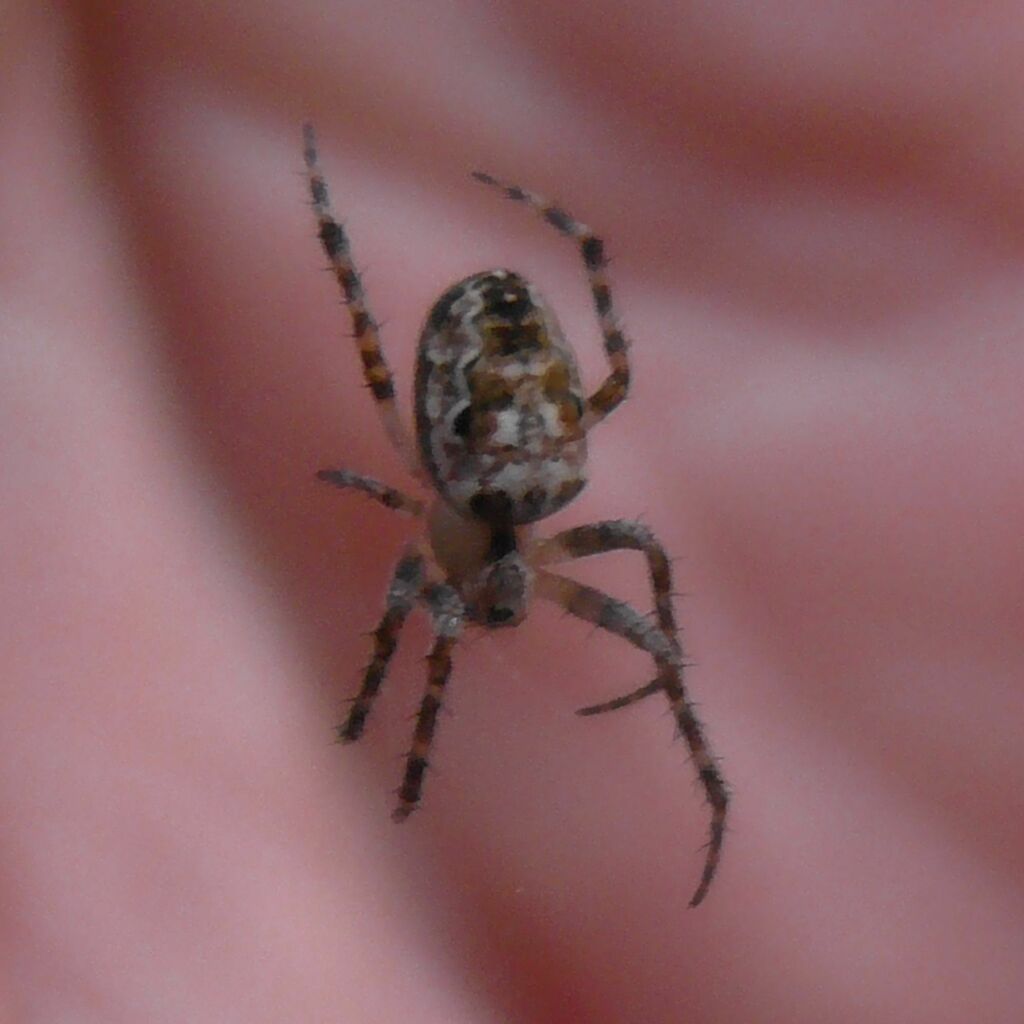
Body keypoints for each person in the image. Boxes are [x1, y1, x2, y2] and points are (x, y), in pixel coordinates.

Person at [3, 2, 1022, 1020]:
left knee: (505, 602)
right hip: (501, 451)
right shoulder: (466, 538)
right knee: (430, 555)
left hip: (495, 452)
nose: (502, 603)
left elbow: (479, 597)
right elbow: (438, 594)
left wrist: (642, 655)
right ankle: (407, 772)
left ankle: (661, 796)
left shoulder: (481, 536)